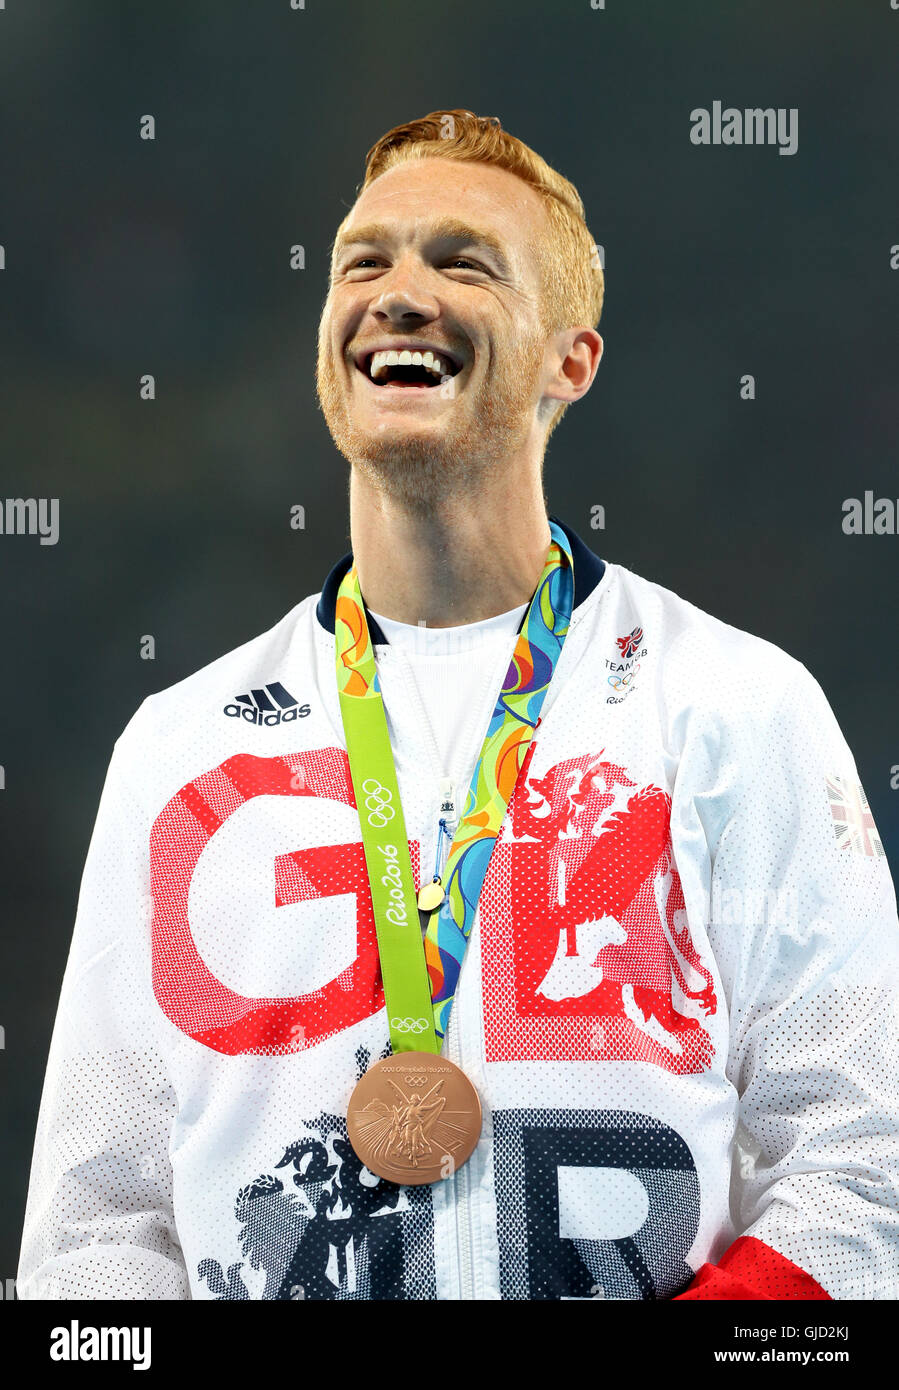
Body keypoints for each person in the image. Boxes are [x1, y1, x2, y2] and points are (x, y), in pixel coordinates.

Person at [18, 109, 899, 1301]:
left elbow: (862, 1165)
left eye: (460, 262)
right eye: (364, 262)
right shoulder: (178, 747)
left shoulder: (735, 708)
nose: (398, 293)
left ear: (568, 360)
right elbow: (94, 1229)